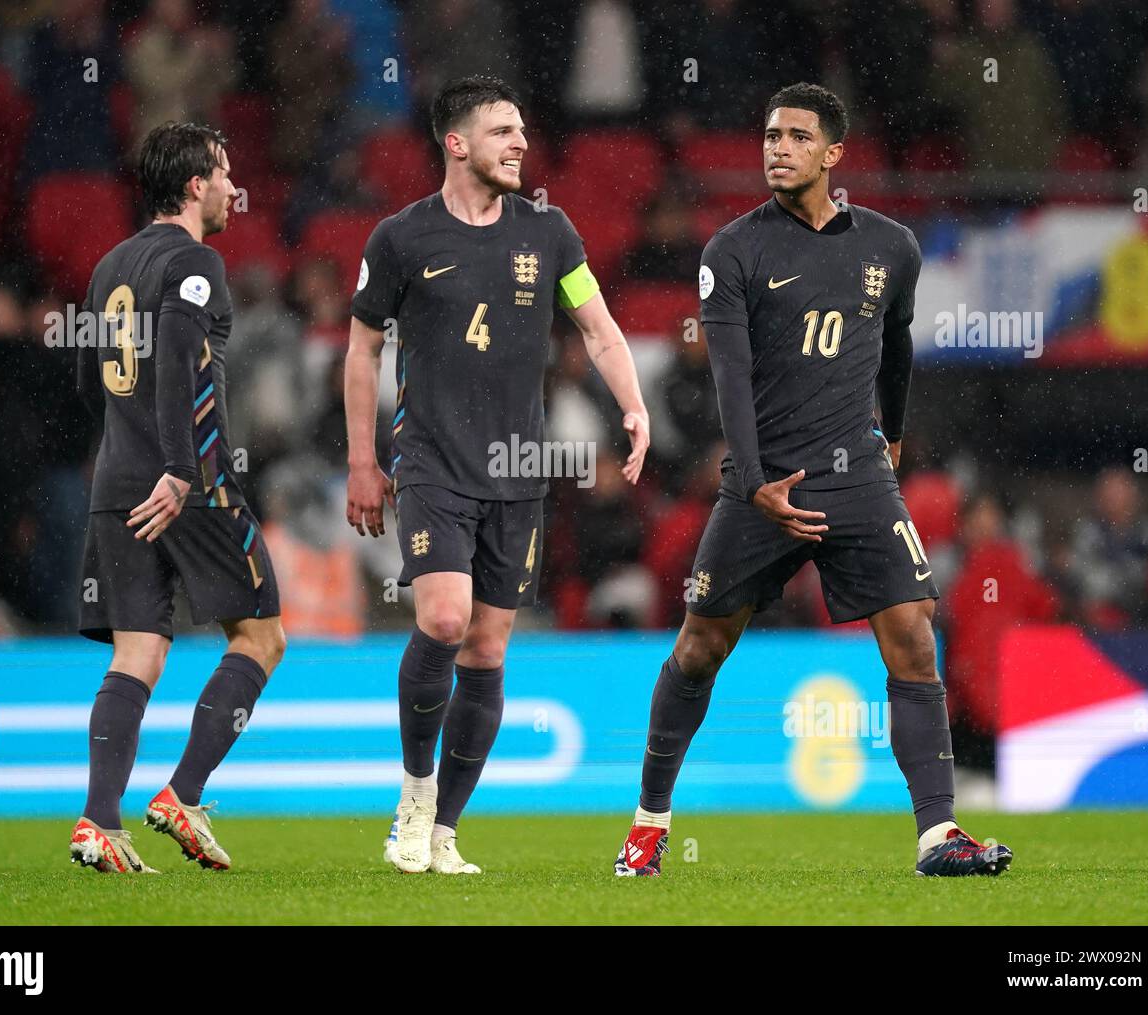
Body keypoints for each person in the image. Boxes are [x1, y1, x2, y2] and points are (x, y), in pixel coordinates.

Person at [613, 83, 1013, 878]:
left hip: (857, 473)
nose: (777, 147)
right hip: (763, 481)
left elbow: (896, 350)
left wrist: (891, 437)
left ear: (833, 154)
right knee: (698, 648)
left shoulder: (892, 246)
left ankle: (939, 836)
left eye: (797, 136)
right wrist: (756, 480)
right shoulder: (731, 249)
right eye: (769, 134)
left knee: (913, 635)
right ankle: (647, 829)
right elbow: (729, 374)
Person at [346, 76, 649, 874]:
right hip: (432, 467)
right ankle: (412, 800)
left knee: (486, 650)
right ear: (456, 143)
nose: (520, 143)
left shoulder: (549, 232)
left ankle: (442, 829)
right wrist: (361, 459)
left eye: (522, 130)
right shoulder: (400, 238)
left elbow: (600, 325)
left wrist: (634, 404)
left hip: (519, 475)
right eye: (503, 131)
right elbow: (361, 349)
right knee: (443, 620)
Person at [70, 122, 286, 874]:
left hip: (114, 478)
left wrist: (133, 458)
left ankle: (100, 820)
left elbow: (90, 384)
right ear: (195, 185)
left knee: (139, 651)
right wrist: (182, 470)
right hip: (188, 480)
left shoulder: (108, 267)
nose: (234, 189)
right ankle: (183, 794)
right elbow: (175, 366)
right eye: (224, 174)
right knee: (262, 637)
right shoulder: (197, 262)